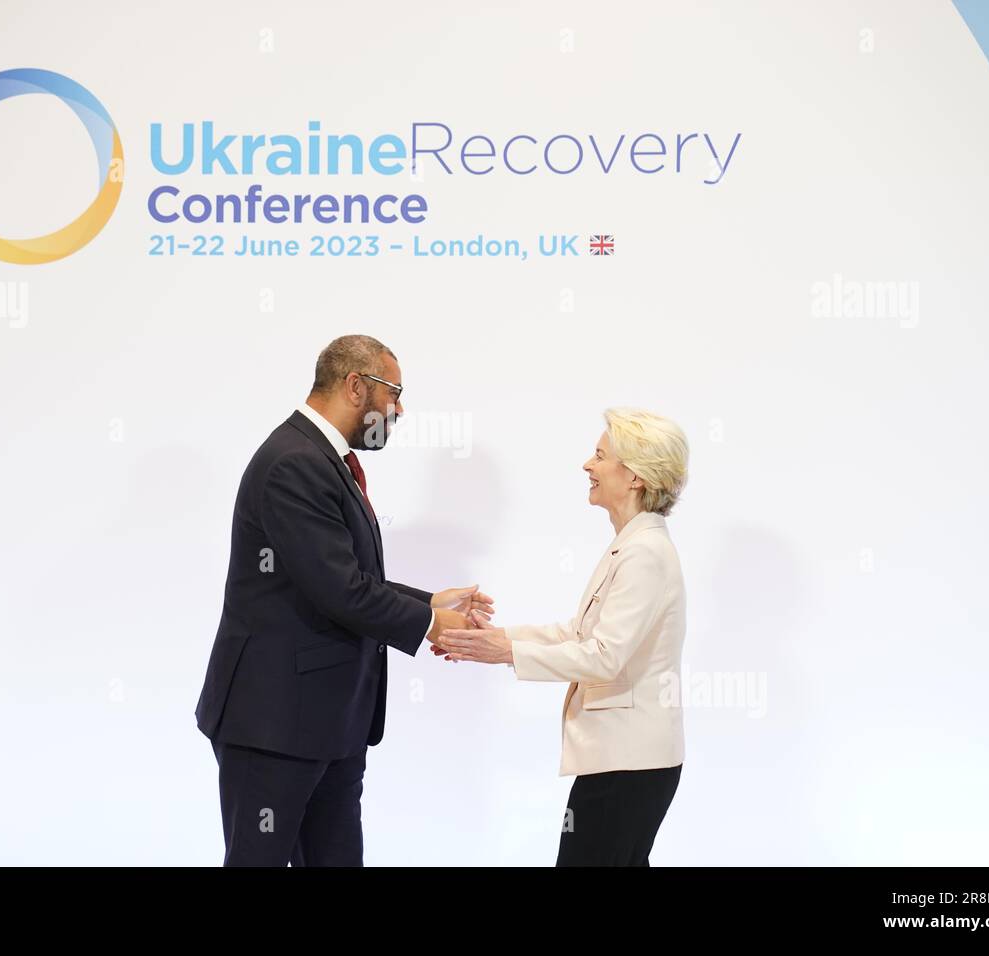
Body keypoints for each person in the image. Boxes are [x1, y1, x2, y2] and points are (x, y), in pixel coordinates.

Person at [196, 334, 492, 866]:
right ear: (356, 386)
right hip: (274, 726)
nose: (399, 410)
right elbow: (339, 590)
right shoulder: (294, 462)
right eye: (394, 393)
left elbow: (341, 576)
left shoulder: (319, 458)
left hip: (325, 725)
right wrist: (431, 623)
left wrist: (432, 602)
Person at [436, 408, 688, 866]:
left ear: (634, 476)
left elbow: (604, 656)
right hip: (624, 761)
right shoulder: (631, 546)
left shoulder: (644, 553)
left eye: (600, 456)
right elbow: (578, 632)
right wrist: (495, 639)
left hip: (627, 763)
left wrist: (507, 652)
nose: (587, 465)